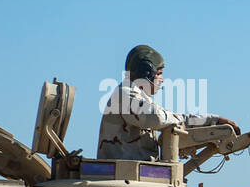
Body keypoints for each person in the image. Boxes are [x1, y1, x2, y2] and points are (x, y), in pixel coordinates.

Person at [99, 45, 238, 161]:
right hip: (123, 177)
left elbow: (170, 117)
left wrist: (213, 121)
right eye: (159, 73)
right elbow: (157, 118)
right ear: (146, 72)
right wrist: (180, 121)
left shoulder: (139, 98)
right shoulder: (124, 95)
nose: (162, 79)